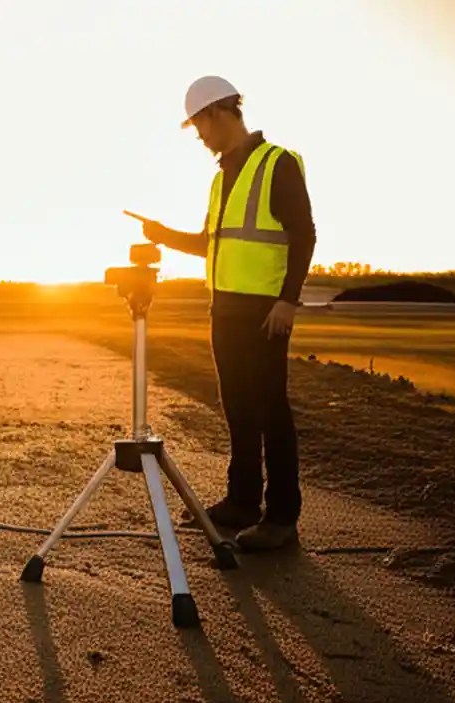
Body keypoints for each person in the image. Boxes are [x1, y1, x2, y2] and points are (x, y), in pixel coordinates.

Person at [134, 75, 317, 551]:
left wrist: (288, 300)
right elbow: (211, 244)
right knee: (237, 408)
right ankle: (241, 503)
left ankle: (281, 520)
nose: (200, 137)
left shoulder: (277, 164)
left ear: (219, 113)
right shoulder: (222, 178)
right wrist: (163, 235)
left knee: (270, 410)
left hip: (264, 311)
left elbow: (304, 234)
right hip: (226, 310)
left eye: (199, 126)